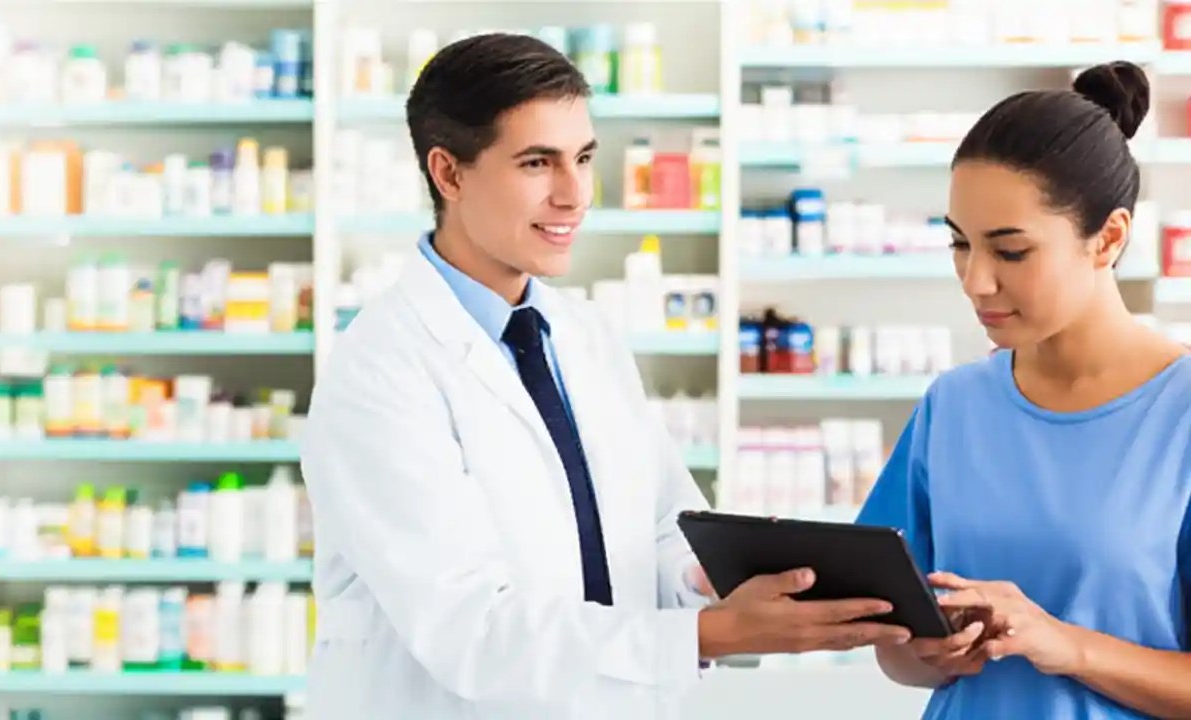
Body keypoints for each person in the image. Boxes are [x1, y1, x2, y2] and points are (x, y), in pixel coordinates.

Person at [300, 32, 910, 719]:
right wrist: (711, 634)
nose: (574, 194)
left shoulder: (583, 335)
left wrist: (704, 576)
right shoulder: (380, 370)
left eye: (584, 158)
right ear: (449, 173)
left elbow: (657, 523)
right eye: (537, 162)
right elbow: (469, 630)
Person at [857, 60, 1191, 719]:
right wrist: (927, 653)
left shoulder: (1178, 416)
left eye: (1010, 252)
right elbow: (894, 644)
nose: (976, 281)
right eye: (960, 244)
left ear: (1109, 239)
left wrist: (1064, 645)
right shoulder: (952, 407)